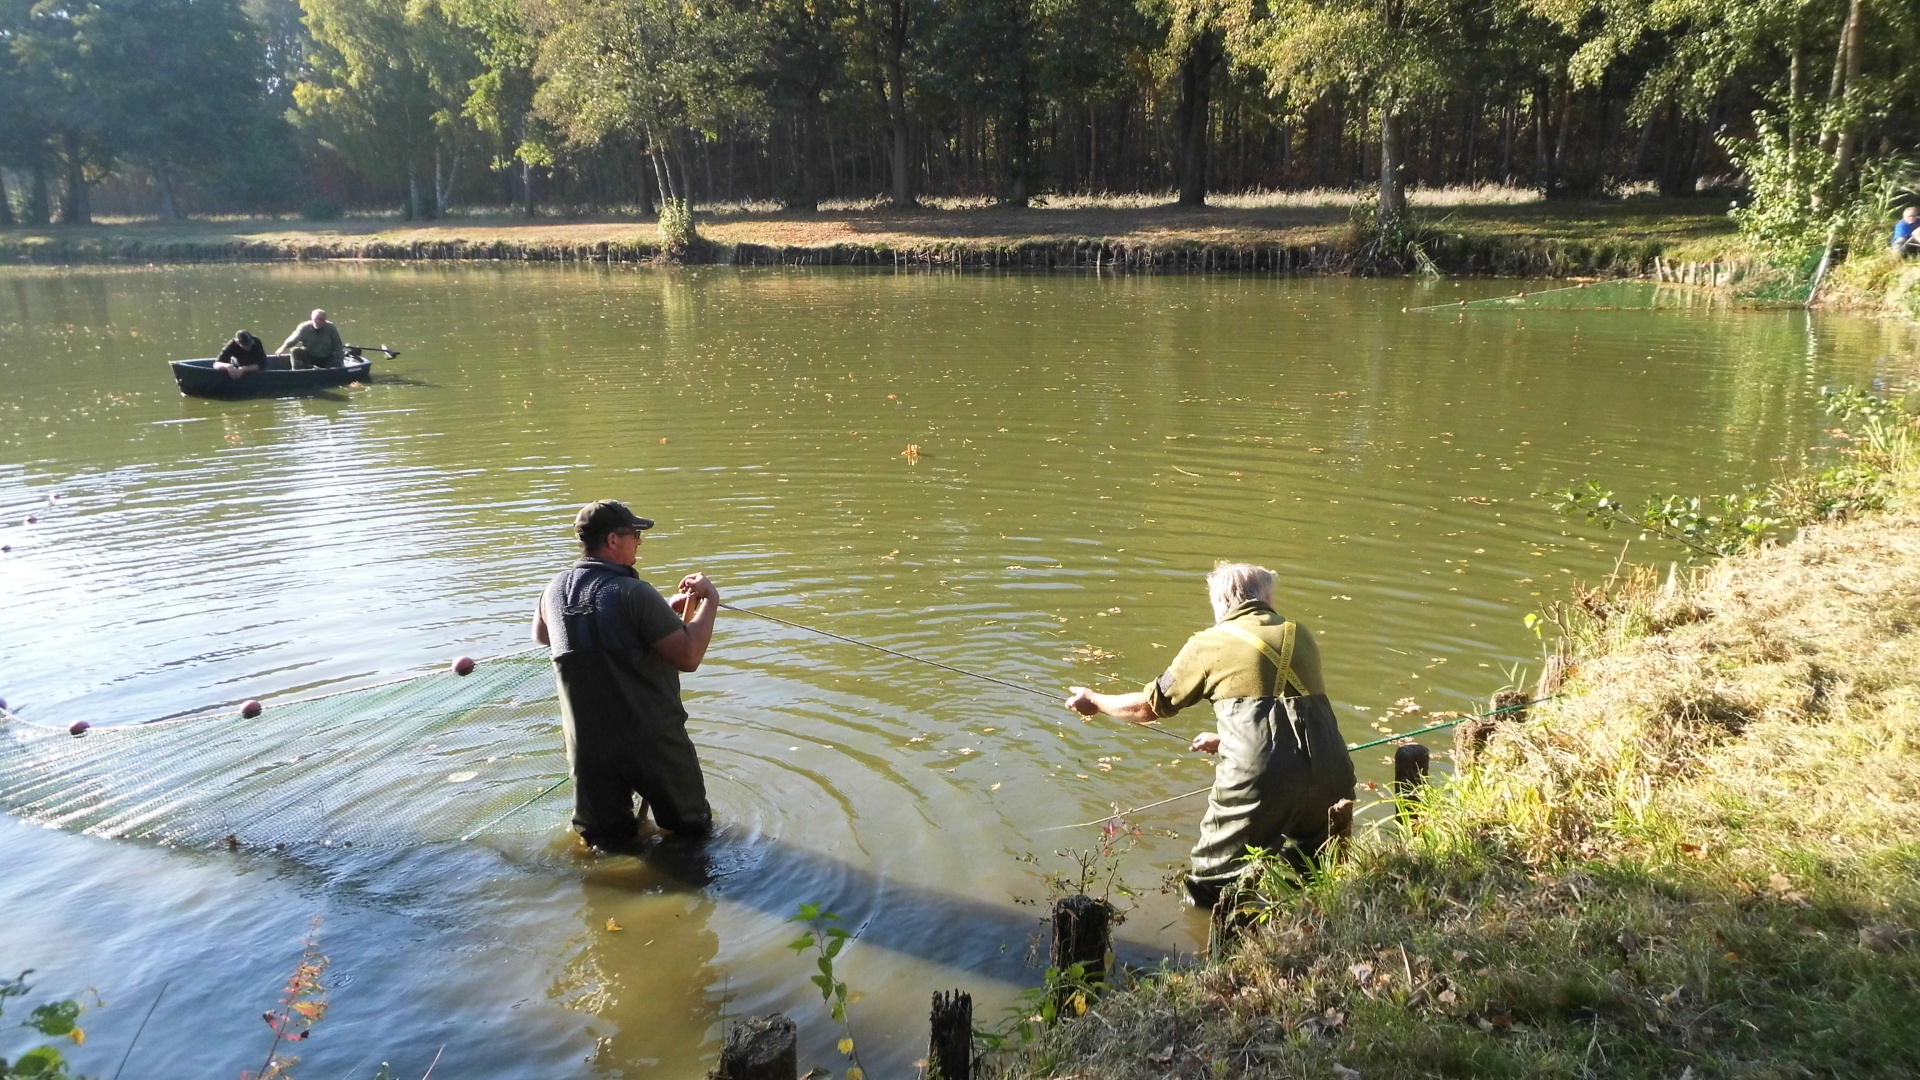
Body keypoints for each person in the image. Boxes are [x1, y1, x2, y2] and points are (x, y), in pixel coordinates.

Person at [1065, 562, 1355, 907]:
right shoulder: (1300, 633)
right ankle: (1314, 934)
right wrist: (1227, 740)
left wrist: (1095, 701)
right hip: (1332, 771)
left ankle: (1215, 949)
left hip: (1259, 780)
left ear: (1220, 601)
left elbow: (1149, 707)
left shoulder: (1208, 644)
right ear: (1265, 596)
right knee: (1315, 872)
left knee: (1211, 884)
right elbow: (1289, 711)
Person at [532, 499, 720, 849]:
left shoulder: (553, 589)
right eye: (634, 534)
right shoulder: (635, 592)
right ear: (613, 541)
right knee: (691, 833)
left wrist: (658, 616)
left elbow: (544, 636)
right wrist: (709, 600)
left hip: (588, 748)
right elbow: (689, 656)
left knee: (604, 843)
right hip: (652, 744)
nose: (639, 541)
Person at [278, 309, 345, 369]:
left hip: (327, 358)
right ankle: (297, 372)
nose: (318, 321)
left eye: (321, 319)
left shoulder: (331, 327)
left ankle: (324, 371)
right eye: (316, 319)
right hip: (309, 357)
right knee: (295, 351)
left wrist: (340, 360)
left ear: (325, 320)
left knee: (336, 362)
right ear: (312, 319)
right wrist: (282, 348)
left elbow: (338, 346)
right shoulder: (304, 327)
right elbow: (293, 339)